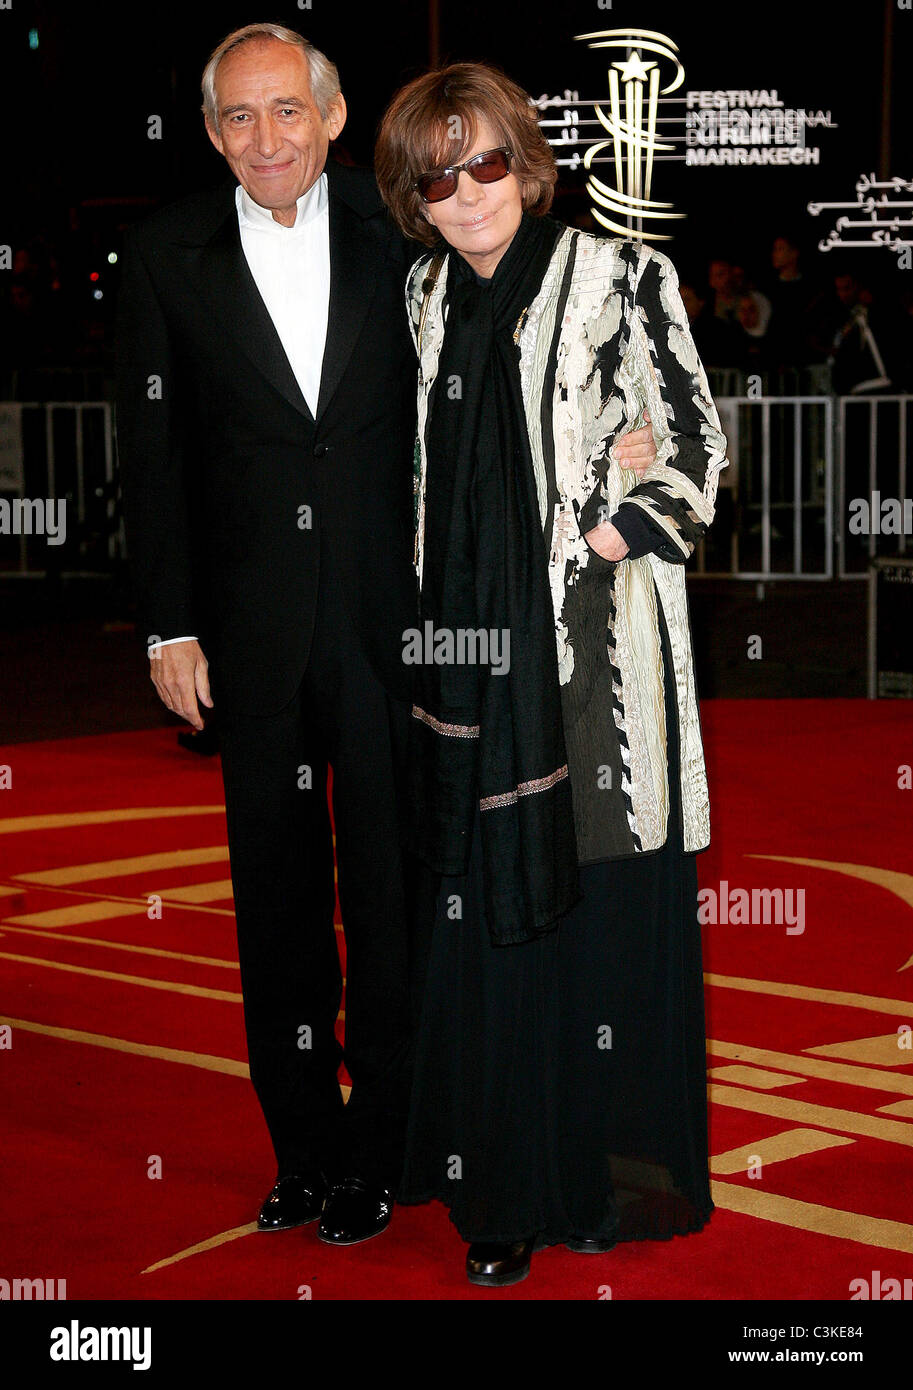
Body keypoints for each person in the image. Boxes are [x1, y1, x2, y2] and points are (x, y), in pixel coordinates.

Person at [114, 22, 664, 1250]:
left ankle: (386, 1147)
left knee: (400, 900)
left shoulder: (404, 226)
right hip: (247, 644)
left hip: (400, 638)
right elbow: (150, 458)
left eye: (288, 111)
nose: (266, 138)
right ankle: (302, 1148)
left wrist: (613, 445)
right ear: (211, 134)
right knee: (276, 908)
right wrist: (169, 622)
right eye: (239, 118)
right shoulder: (162, 254)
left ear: (333, 114)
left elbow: (518, 350)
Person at [375, 62, 729, 1287]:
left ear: (526, 164)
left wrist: (604, 531)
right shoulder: (420, 295)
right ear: (414, 197)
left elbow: (693, 444)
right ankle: (502, 1191)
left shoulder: (622, 273)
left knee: (593, 918)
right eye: (436, 174)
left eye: (483, 164)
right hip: (465, 665)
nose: (465, 193)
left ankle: (593, 1178)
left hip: (599, 667)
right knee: (485, 924)